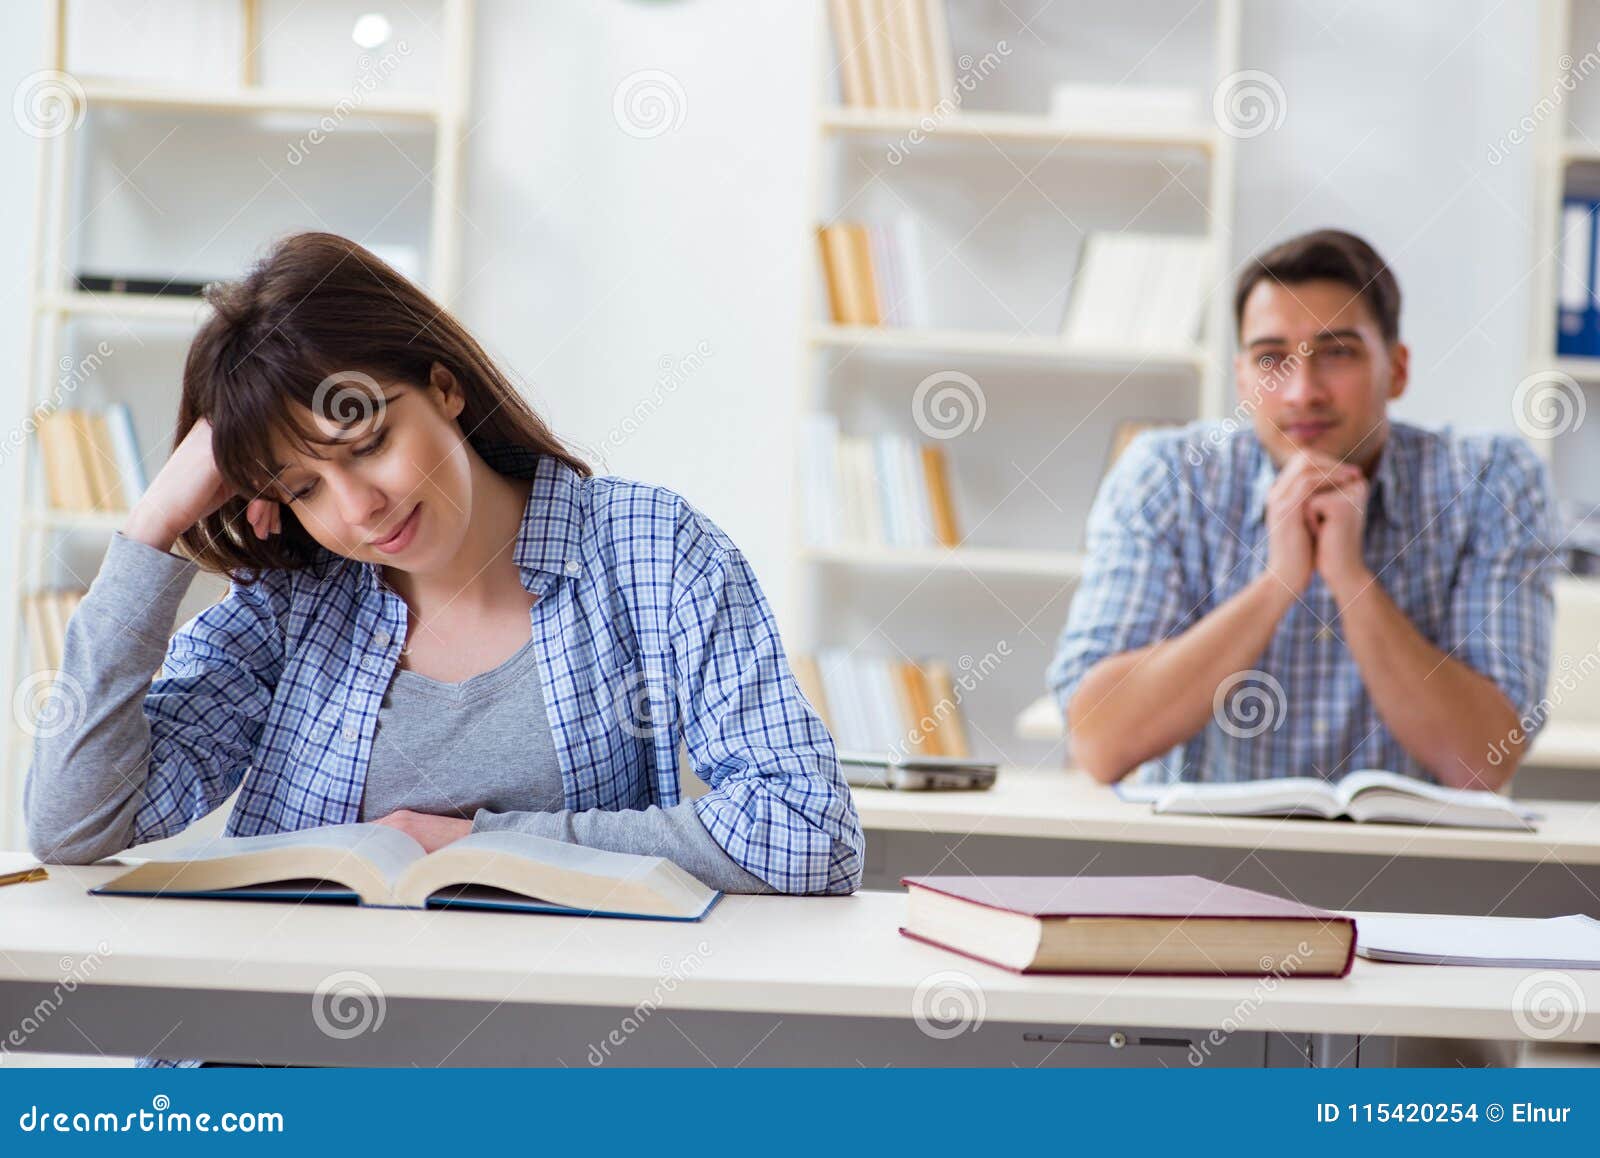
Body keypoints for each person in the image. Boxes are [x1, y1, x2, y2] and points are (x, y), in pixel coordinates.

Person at [25, 233, 863, 1067]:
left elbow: (806, 830)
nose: (359, 509)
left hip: (533, 1077)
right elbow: (75, 823)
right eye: (303, 488)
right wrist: (152, 530)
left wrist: (492, 846)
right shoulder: (291, 600)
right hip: (271, 1077)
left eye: (370, 445)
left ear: (445, 387)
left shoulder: (649, 553)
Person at [1047, 228, 1555, 789]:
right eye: (1271, 359)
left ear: (1399, 368)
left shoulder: (1489, 481)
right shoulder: (1168, 477)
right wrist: (1278, 582)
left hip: (1410, 869)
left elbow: (1483, 760)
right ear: (1241, 376)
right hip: (1199, 865)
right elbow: (1100, 742)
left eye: (1338, 353)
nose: (1303, 392)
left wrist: (1350, 577)